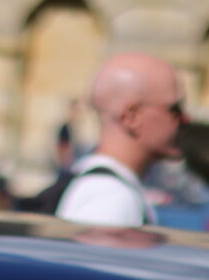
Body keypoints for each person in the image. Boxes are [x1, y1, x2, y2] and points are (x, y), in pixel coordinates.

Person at [56, 53, 187, 225]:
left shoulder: (103, 187)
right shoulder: (112, 199)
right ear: (131, 117)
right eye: (174, 109)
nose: (185, 119)